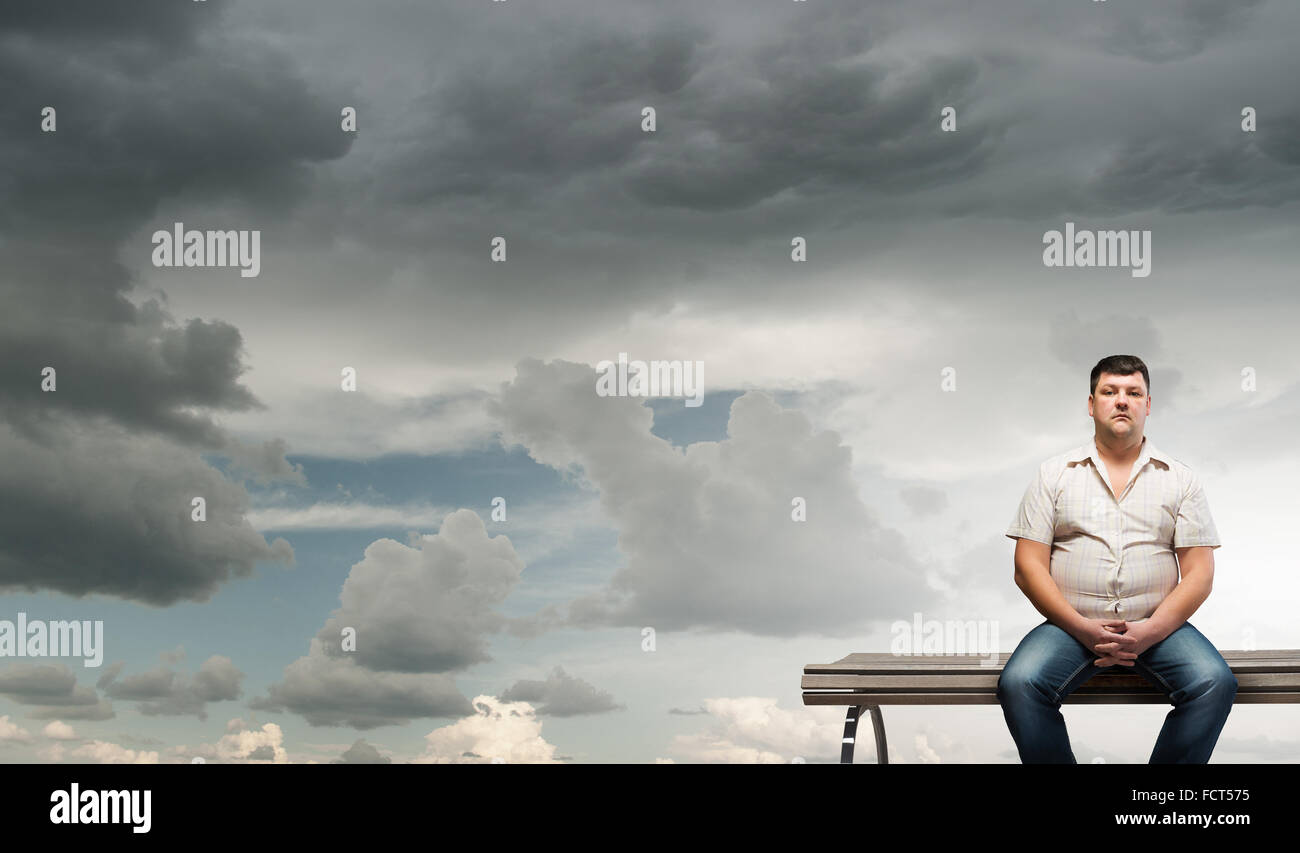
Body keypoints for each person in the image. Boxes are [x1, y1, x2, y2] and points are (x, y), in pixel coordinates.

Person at [998, 354, 1236, 763]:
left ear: (1148, 404)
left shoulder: (1181, 479)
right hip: (1070, 626)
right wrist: (1083, 629)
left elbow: (1199, 573)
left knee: (1214, 682)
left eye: (1133, 393)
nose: (1121, 401)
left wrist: (1150, 632)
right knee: (1019, 683)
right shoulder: (1053, 474)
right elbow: (1028, 567)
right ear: (1092, 404)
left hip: (1157, 625)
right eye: (1110, 392)